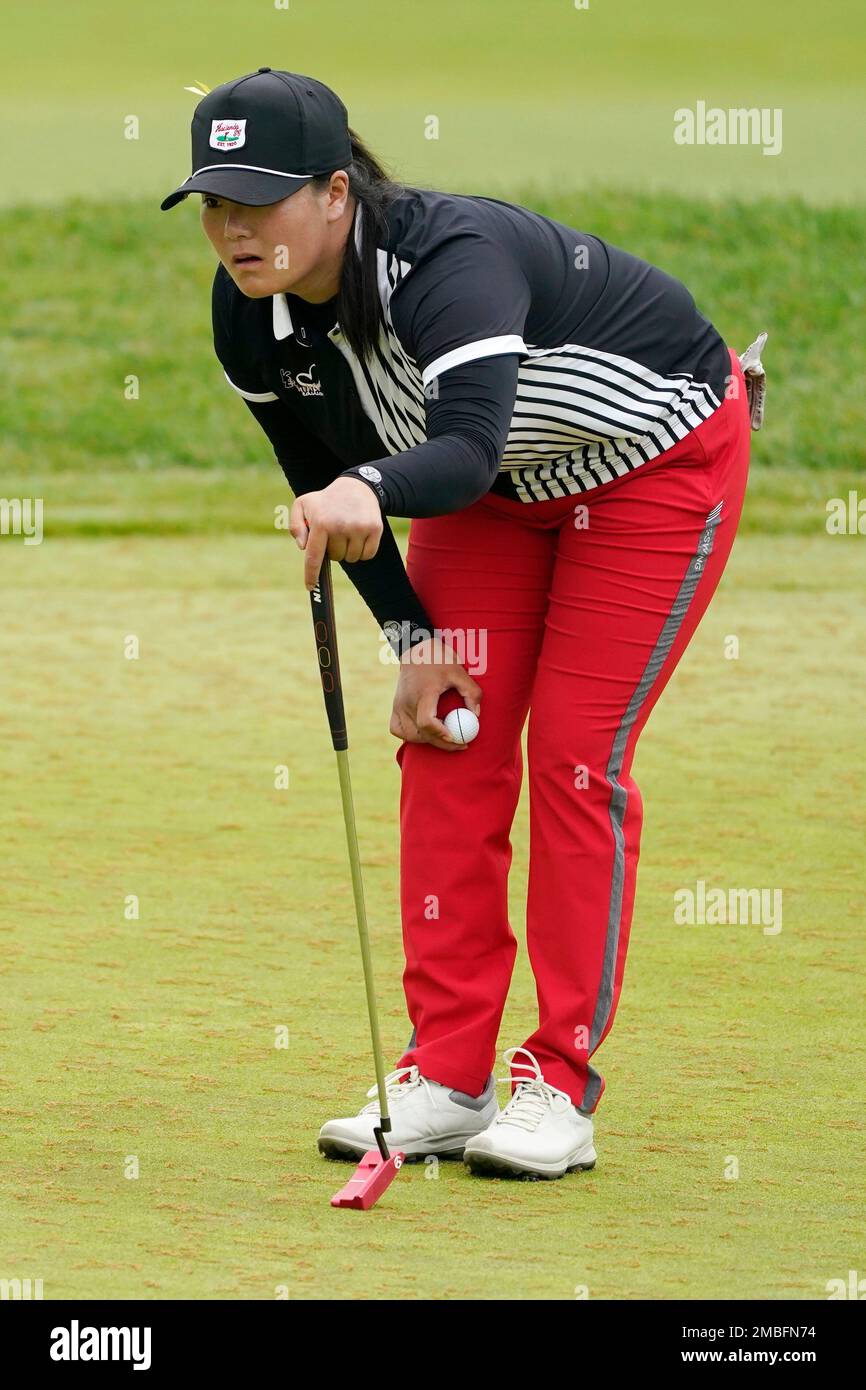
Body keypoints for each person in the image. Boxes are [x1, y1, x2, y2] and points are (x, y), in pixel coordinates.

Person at [161, 67, 765, 1180]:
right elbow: (325, 481)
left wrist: (366, 489)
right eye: (212, 203)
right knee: (448, 735)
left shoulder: (449, 262)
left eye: (260, 199)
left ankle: (558, 1080)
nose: (233, 229)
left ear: (336, 192)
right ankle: (445, 1073)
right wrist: (412, 639)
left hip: (649, 467)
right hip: (489, 500)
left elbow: (461, 447)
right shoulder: (250, 313)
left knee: (575, 756)